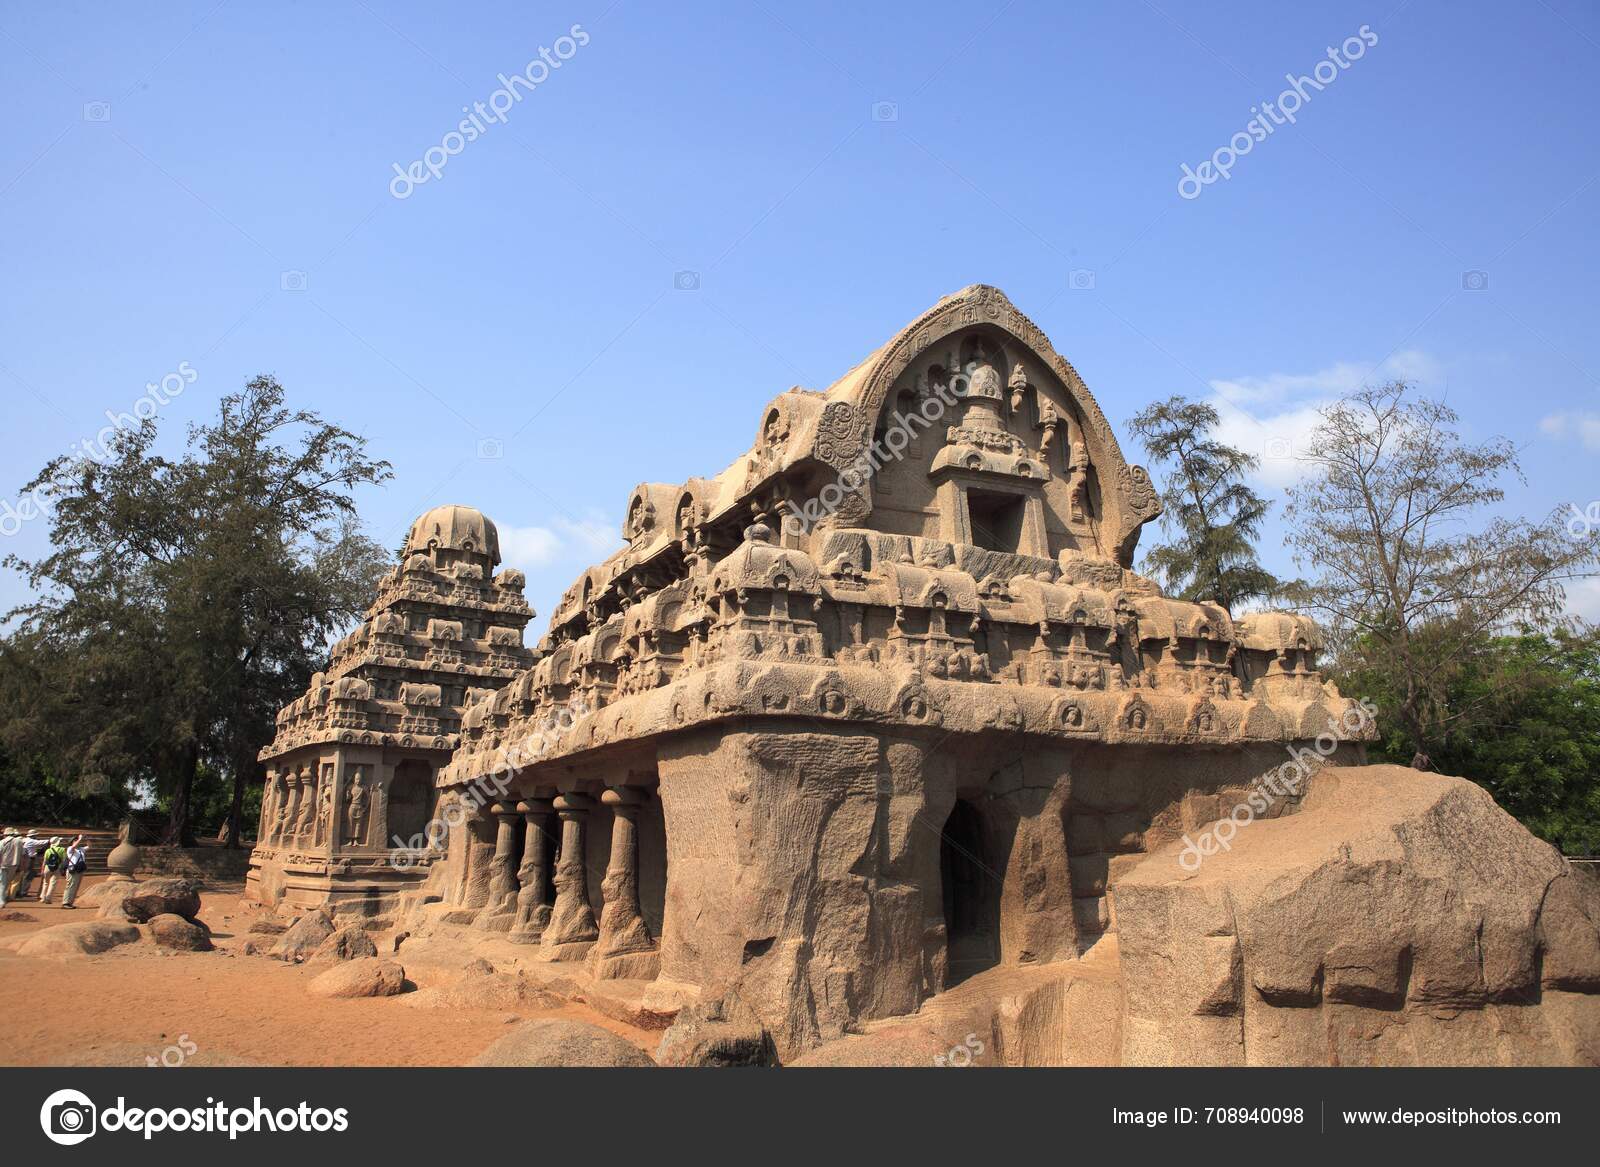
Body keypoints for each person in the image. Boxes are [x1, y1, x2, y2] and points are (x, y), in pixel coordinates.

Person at [13, 829, 42, 900]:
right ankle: (23, 892)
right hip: (28, 859)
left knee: (24, 875)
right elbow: (42, 842)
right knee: (27, 875)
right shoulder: (30, 841)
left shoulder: (24, 840)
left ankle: (20, 891)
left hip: (25, 859)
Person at [60, 836, 88, 909]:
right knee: (70, 886)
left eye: (77, 840)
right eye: (75, 840)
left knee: (75, 887)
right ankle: (65, 903)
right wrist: (80, 839)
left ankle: (70, 903)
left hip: (79, 869)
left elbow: (90, 846)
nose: (77, 841)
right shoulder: (70, 848)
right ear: (72, 842)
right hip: (72, 869)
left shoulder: (81, 849)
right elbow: (74, 846)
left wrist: (87, 839)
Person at [39, 836, 67, 904]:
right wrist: (63, 869)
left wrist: (42, 870)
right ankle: (48, 898)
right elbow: (64, 860)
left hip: (47, 867)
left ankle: (42, 897)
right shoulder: (62, 849)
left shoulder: (48, 850)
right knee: (53, 883)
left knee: (45, 883)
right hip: (57, 868)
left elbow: (44, 861)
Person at [0, 828, 21, 908]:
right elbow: (22, 855)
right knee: (7, 883)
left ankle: (1, 901)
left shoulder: (2, 842)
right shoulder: (19, 842)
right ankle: (3, 898)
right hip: (14, 865)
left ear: (5, 834)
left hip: (3, 865)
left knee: (3, 883)